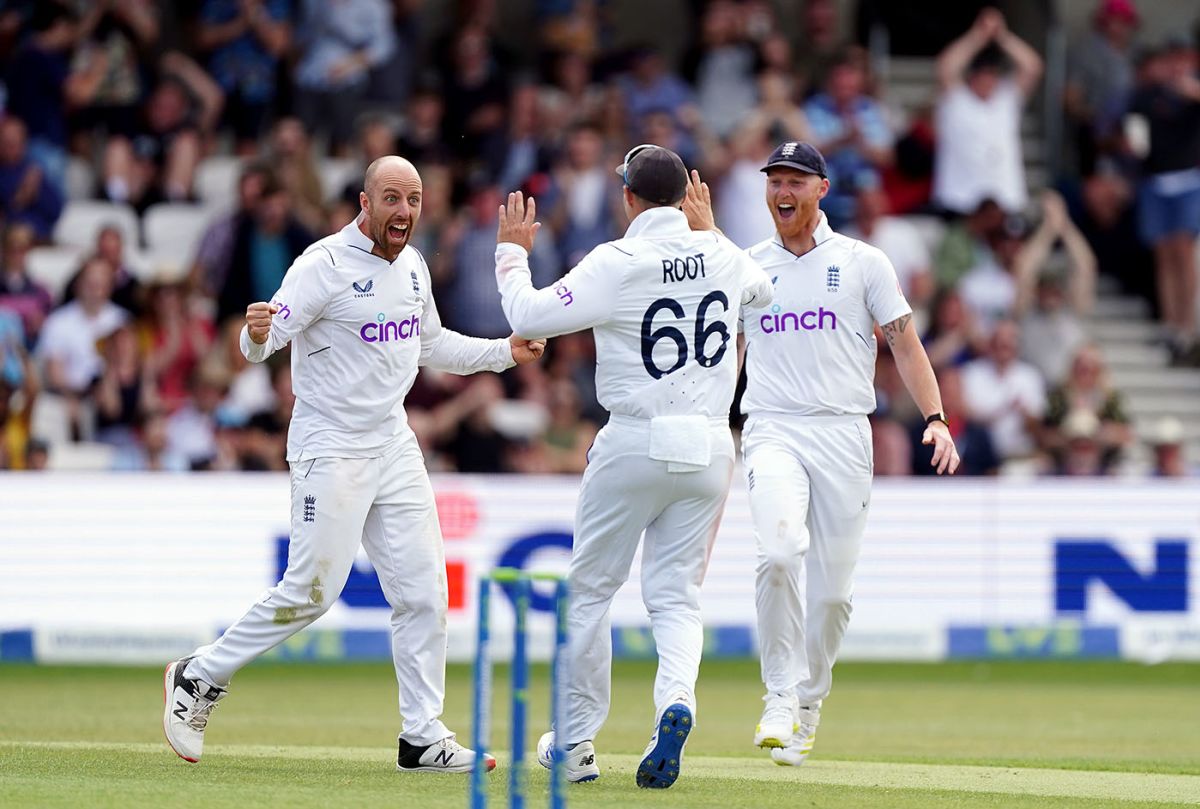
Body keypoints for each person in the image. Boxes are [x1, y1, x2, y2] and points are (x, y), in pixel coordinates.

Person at [162, 156, 546, 774]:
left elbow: (431, 344)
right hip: (329, 445)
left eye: (414, 199)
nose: (404, 211)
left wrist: (505, 351)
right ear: (364, 203)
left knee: (424, 592)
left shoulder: (415, 266)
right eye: (391, 198)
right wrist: (253, 334)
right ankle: (197, 676)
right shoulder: (324, 265)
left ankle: (422, 736)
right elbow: (264, 340)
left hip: (392, 443)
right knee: (311, 592)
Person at [492, 144, 773, 788]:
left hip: (635, 440)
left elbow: (528, 315)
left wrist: (511, 252)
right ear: (685, 198)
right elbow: (761, 295)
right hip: (707, 445)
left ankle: (575, 742)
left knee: (589, 592)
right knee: (676, 596)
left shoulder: (616, 259)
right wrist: (711, 235)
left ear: (627, 198)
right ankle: (677, 703)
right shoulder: (721, 251)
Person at [686, 140, 959, 766]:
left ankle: (808, 704)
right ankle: (779, 696)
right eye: (774, 181)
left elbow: (905, 344)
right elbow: (724, 356)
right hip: (773, 427)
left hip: (843, 432)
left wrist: (936, 419)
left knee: (833, 596)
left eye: (795, 182)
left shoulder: (863, 263)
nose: (782, 192)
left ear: (821, 189)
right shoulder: (749, 266)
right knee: (780, 552)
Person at [932, 8, 1043, 215]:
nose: (987, 79)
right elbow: (945, 66)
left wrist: (1002, 35)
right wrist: (978, 35)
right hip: (960, 201)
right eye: (982, 74)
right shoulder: (956, 99)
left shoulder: (1007, 98)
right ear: (972, 76)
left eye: (992, 74)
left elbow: (1032, 66)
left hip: (1004, 200)